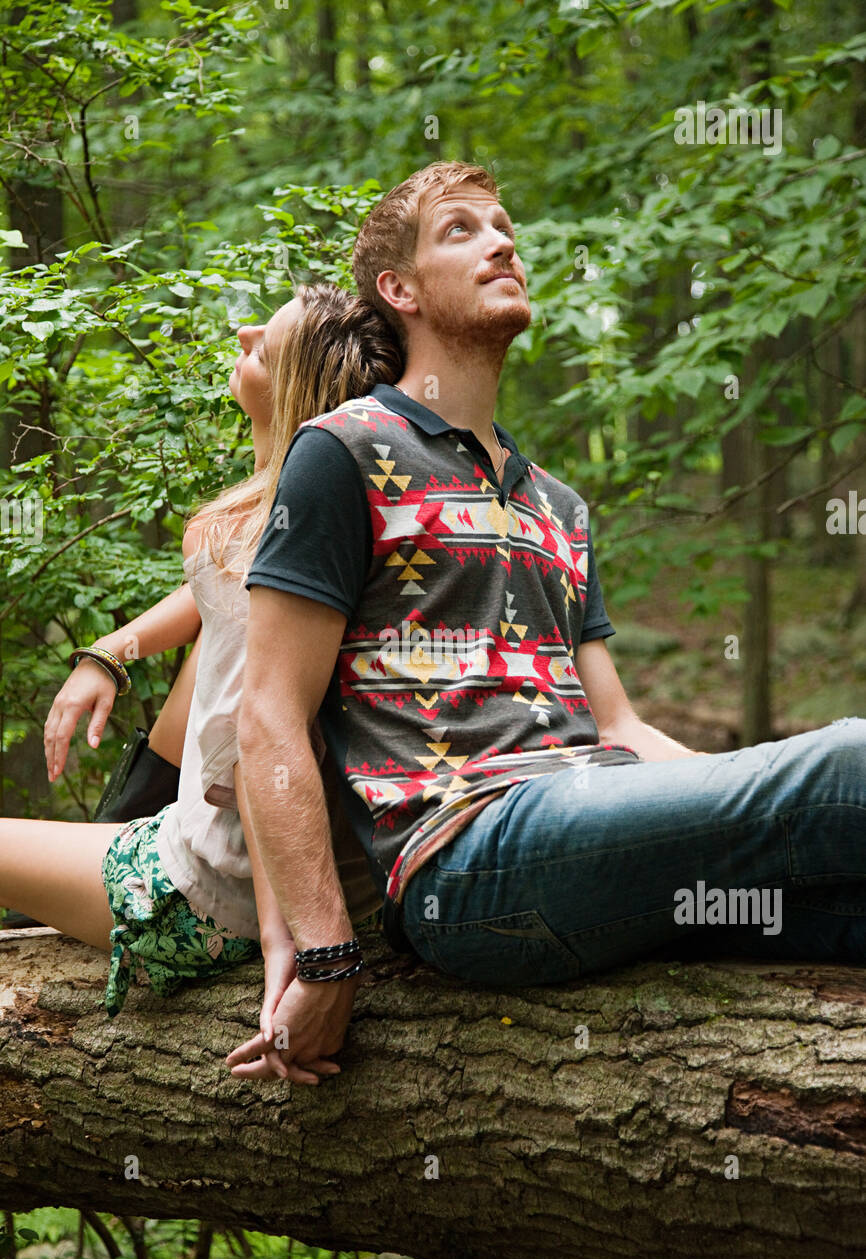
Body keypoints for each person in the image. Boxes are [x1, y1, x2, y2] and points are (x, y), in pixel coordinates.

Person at [225, 159, 866, 1082]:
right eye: (463, 230)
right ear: (397, 289)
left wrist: (741, 783)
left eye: (504, 228)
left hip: (592, 835)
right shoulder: (345, 451)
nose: (501, 242)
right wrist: (326, 955)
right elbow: (269, 716)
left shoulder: (556, 505)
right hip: (466, 858)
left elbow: (621, 728)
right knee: (844, 765)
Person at [0, 281, 402, 1084]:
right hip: (213, 856)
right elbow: (210, 589)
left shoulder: (280, 542)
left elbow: (265, 749)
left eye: (268, 340)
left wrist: (288, 949)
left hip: (205, 888)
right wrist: (111, 651)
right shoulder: (285, 514)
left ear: (296, 387)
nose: (246, 330)